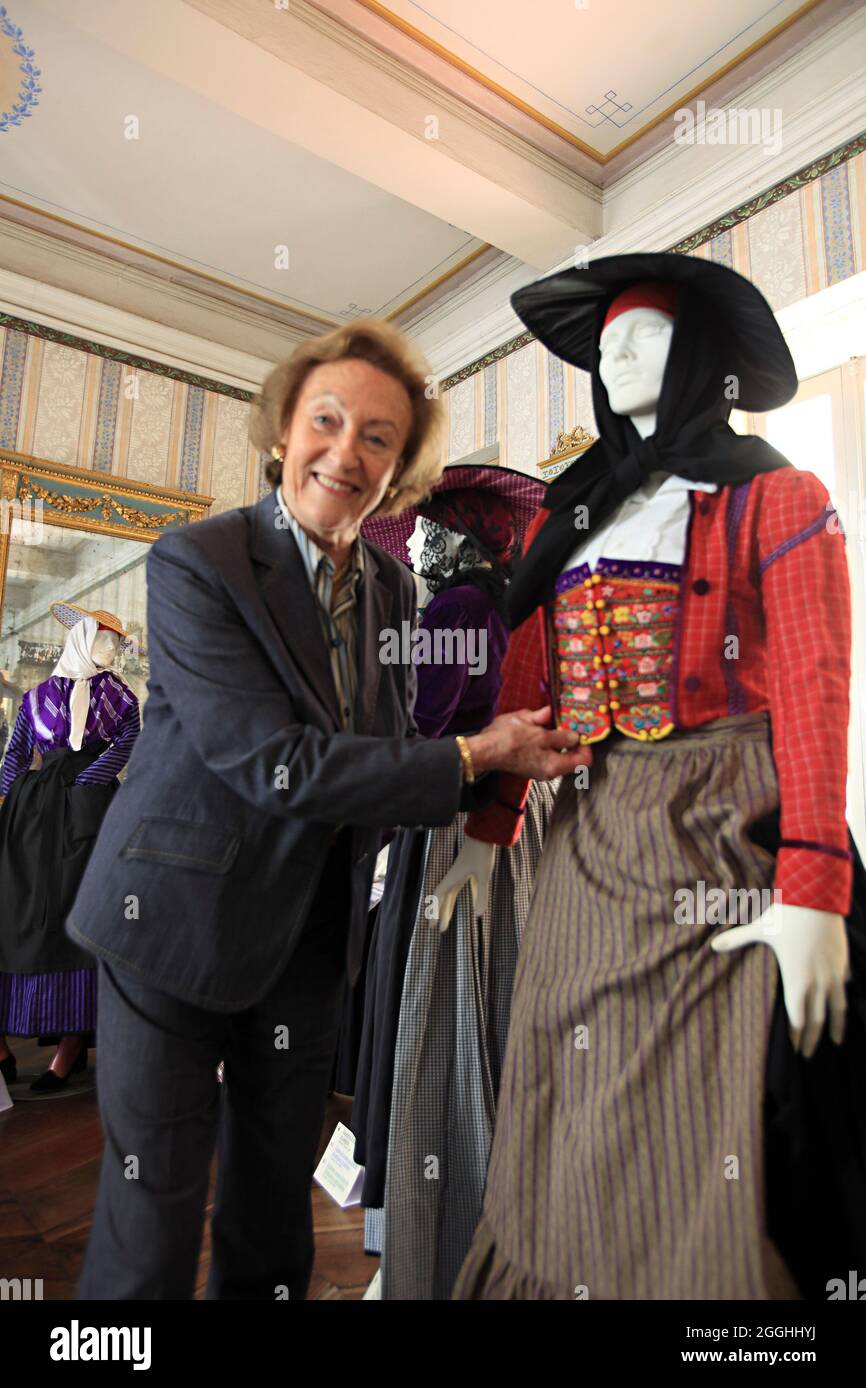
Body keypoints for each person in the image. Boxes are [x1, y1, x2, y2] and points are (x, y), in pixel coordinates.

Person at [65, 318, 590, 1300]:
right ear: (283, 430)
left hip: (306, 942)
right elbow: (275, 765)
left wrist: (513, 766)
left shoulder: (395, 590)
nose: (347, 450)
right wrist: (474, 751)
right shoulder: (199, 561)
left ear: (397, 469)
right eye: (327, 419)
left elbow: (387, 753)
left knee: (272, 1229)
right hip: (168, 929)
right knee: (152, 1224)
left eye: (378, 435)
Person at [441, 255, 865, 1300]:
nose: (614, 351)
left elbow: (812, 688)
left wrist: (813, 887)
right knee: (564, 1074)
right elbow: (528, 679)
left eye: (645, 334)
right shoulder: (570, 513)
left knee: (704, 1098)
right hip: (586, 834)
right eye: (607, 340)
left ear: (701, 362)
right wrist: (482, 829)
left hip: (723, 817)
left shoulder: (772, 492)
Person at [354, 463, 556, 1298]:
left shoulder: (455, 609)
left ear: (470, 534)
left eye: (435, 530)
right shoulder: (523, 606)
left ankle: (437, 1238)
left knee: (442, 1015)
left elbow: (419, 727)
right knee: (498, 1009)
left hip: (456, 822)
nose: (422, 546)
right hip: (514, 825)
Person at [0, 607, 139, 1091]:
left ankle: (73, 1042)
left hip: (89, 813)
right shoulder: (36, 696)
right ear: (83, 637)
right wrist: (14, 797)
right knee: (20, 912)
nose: (113, 649)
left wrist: (87, 782)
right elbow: (16, 751)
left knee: (77, 914)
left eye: (118, 643)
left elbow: (128, 741)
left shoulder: (120, 697)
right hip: (35, 816)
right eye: (106, 639)